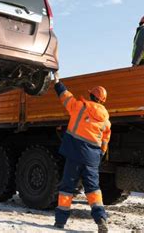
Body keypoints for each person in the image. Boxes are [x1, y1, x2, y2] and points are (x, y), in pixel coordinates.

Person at [52, 71, 111, 233]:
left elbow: (65, 96)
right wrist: (99, 154)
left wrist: (57, 81)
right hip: (92, 159)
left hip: (75, 154)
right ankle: (101, 219)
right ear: (102, 101)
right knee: (93, 189)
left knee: (67, 188)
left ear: (91, 95)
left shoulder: (80, 107)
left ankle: (60, 222)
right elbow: (105, 141)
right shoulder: (106, 120)